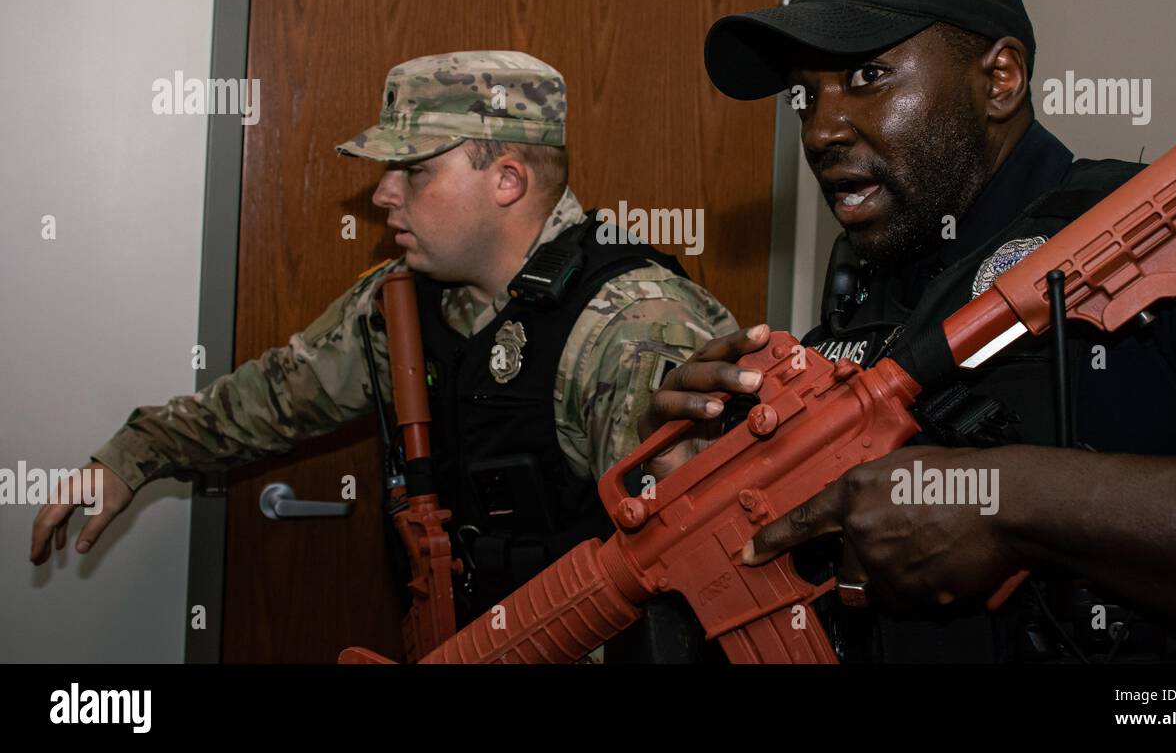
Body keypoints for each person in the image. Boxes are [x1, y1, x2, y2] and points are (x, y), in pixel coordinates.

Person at [642, 0, 1176, 661]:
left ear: (1000, 79)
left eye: (867, 77)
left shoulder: (1158, 237)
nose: (822, 129)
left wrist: (1007, 499)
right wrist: (719, 493)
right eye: (806, 97)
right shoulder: (863, 294)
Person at [30, 50, 737, 628]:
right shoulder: (405, 301)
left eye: (415, 170)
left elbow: (710, 563)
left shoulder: (634, 325)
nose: (382, 194)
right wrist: (135, 455)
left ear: (508, 180)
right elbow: (275, 396)